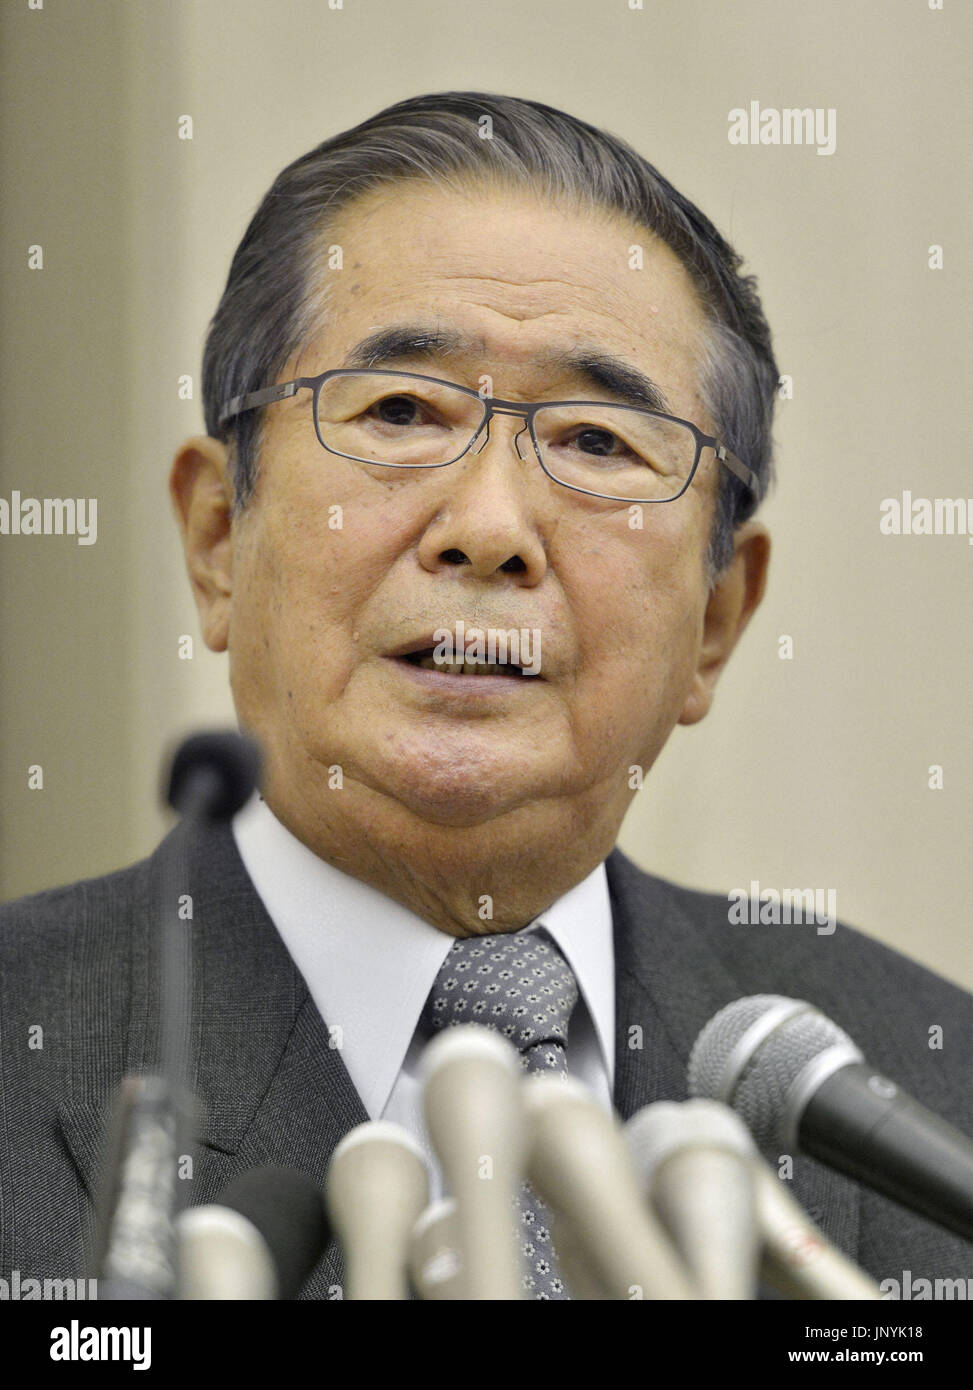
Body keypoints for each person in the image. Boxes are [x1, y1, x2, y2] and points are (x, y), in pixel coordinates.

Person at [1, 92, 970, 1300]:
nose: (491, 528)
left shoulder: (935, 1098)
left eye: (598, 441)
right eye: (402, 412)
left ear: (717, 619)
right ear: (217, 543)